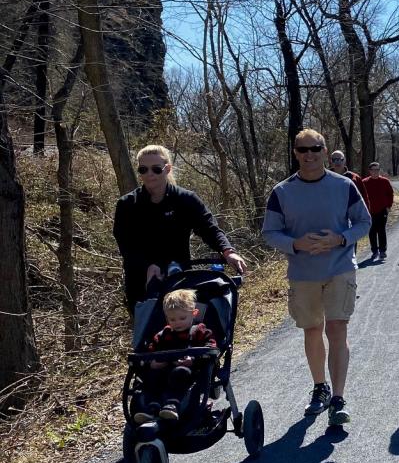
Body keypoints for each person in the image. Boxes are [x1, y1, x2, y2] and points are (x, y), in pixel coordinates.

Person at [262, 129, 371, 426]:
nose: (309, 154)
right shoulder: (282, 191)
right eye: (302, 149)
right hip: (303, 274)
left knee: (337, 330)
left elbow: (364, 222)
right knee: (312, 330)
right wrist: (295, 244)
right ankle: (319, 387)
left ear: (325, 151)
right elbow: (270, 232)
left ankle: (338, 398)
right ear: (295, 152)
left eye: (315, 148)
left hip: (339, 269)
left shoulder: (344, 185)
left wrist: (340, 239)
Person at [113, 144, 247, 315]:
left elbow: (208, 228)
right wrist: (147, 266)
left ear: (167, 169)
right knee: (150, 338)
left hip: (180, 281)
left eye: (156, 169)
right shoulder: (127, 205)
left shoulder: (185, 199)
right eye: (143, 169)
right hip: (141, 284)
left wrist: (228, 251)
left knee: (187, 333)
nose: (149, 174)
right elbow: (126, 245)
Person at [134, 288, 217, 423]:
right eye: (172, 319)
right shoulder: (163, 335)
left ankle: (172, 405)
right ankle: (151, 408)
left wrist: (194, 359)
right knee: (151, 375)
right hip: (164, 372)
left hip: (190, 372)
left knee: (180, 372)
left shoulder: (199, 331)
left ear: (194, 313)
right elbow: (150, 351)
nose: (177, 322)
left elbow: (211, 346)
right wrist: (152, 362)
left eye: (182, 318)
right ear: (166, 318)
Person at [362, 162, 395, 261]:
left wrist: (388, 206)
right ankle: (374, 251)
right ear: (370, 171)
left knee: (381, 230)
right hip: (369, 211)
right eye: (373, 170)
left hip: (382, 210)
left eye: (377, 170)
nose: (375, 172)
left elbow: (390, 194)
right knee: (372, 231)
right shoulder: (364, 182)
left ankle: (382, 251)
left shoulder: (385, 181)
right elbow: (361, 197)